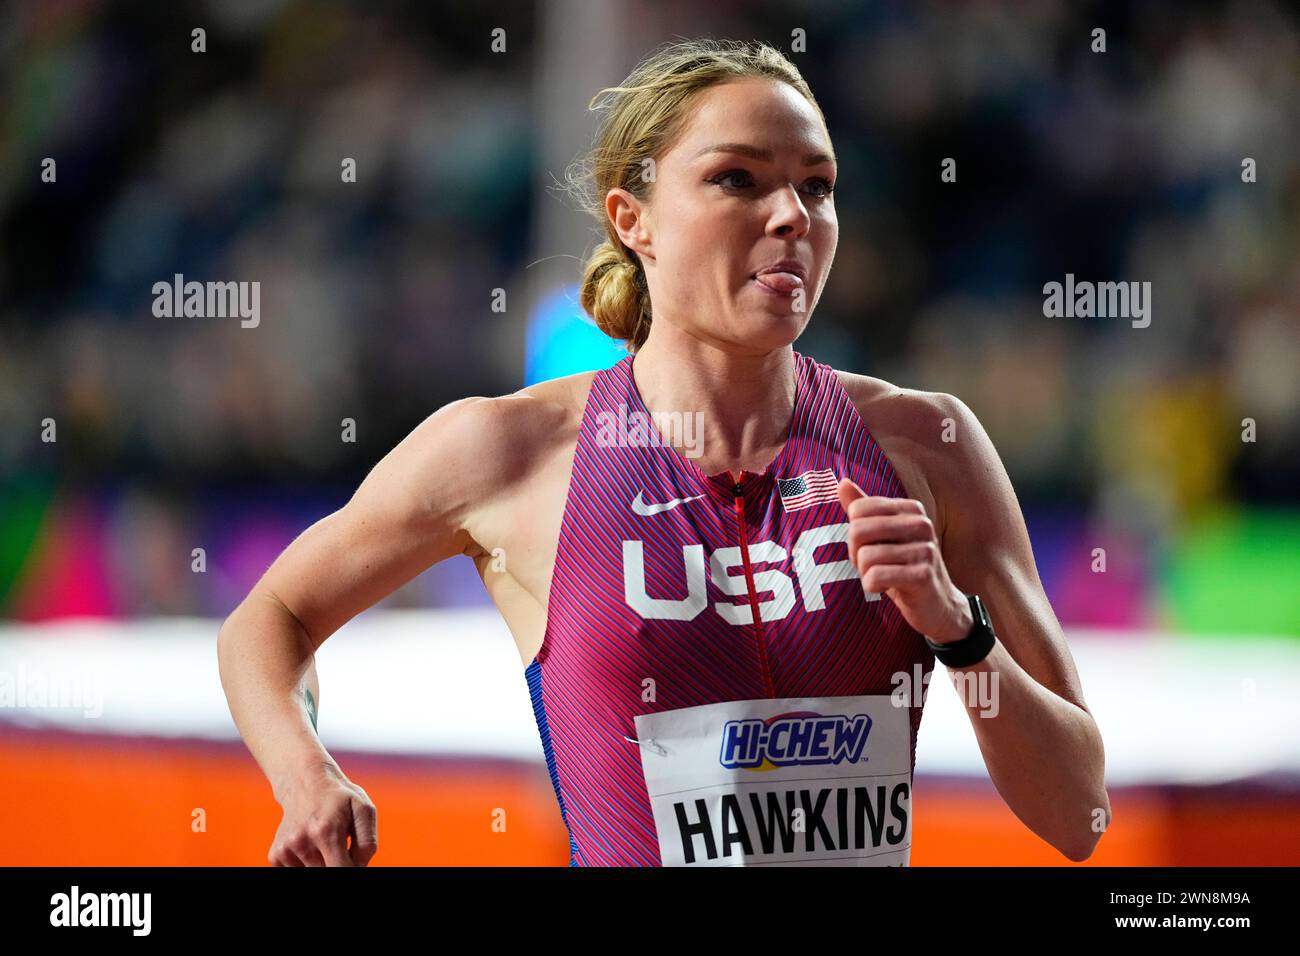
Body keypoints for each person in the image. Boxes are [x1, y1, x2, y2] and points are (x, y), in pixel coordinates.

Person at [217, 38, 1109, 867]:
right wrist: (305, 776)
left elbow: (1080, 817)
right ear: (633, 219)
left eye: (818, 186)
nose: (792, 215)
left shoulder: (926, 446)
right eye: (738, 180)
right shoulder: (511, 452)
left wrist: (958, 631)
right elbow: (270, 620)